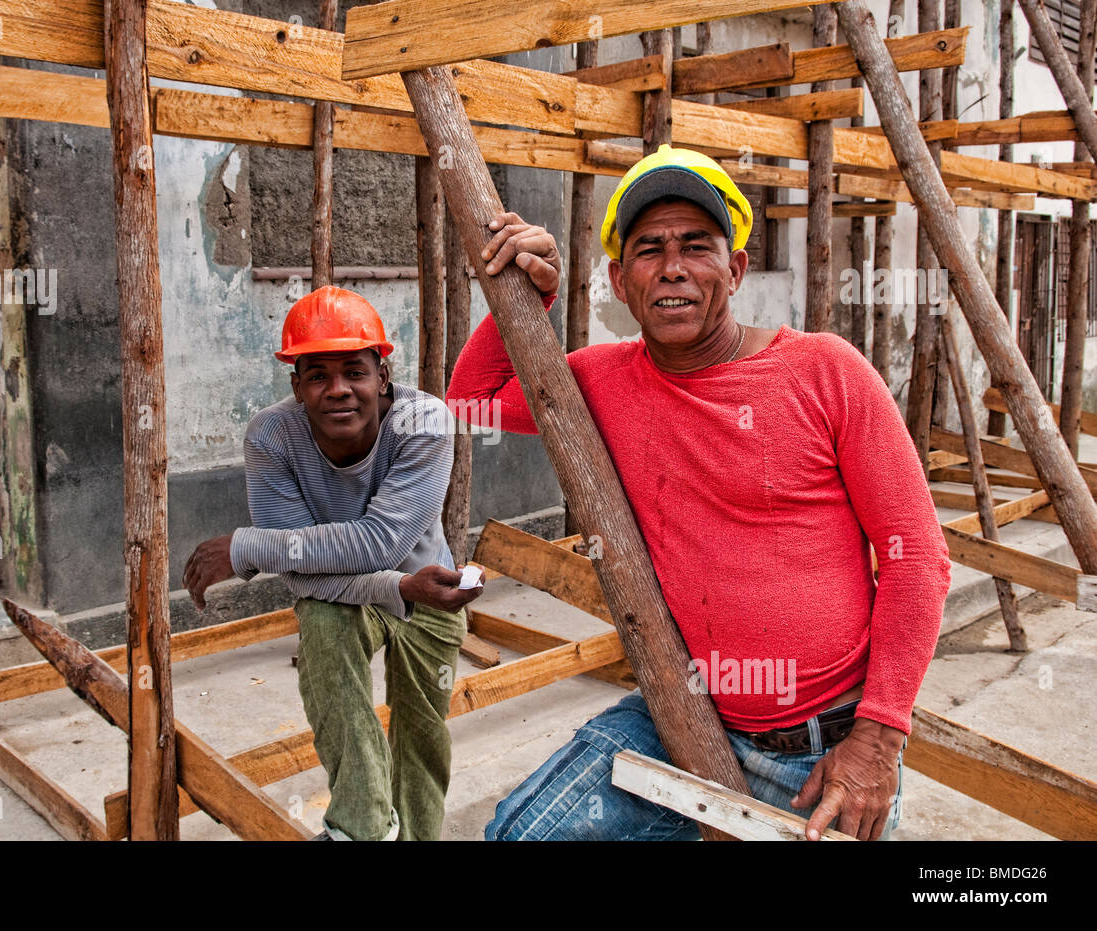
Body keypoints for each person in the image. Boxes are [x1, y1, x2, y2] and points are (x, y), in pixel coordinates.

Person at [446, 144, 952, 841]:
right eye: (649, 249)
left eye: (696, 245)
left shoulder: (826, 372)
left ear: (736, 268)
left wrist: (879, 738)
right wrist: (530, 295)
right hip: (677, 715)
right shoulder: (601, 381)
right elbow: (469, 402)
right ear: (621, 281)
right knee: (520, 835)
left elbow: (917, 559)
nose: (673, 266)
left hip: (820, 754)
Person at [184, 285, 501, 840]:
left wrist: (247, 547)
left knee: (423, 738)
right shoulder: (272, 435)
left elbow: (381, 539)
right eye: (317, 376)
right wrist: (396, 586)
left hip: (434, 592)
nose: (338, 391)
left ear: (382, 374)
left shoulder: (422, 421)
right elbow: (304, 572)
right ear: (296, 385)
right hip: (396, 588)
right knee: (324, 625)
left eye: (354, 371)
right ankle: (363, 826)